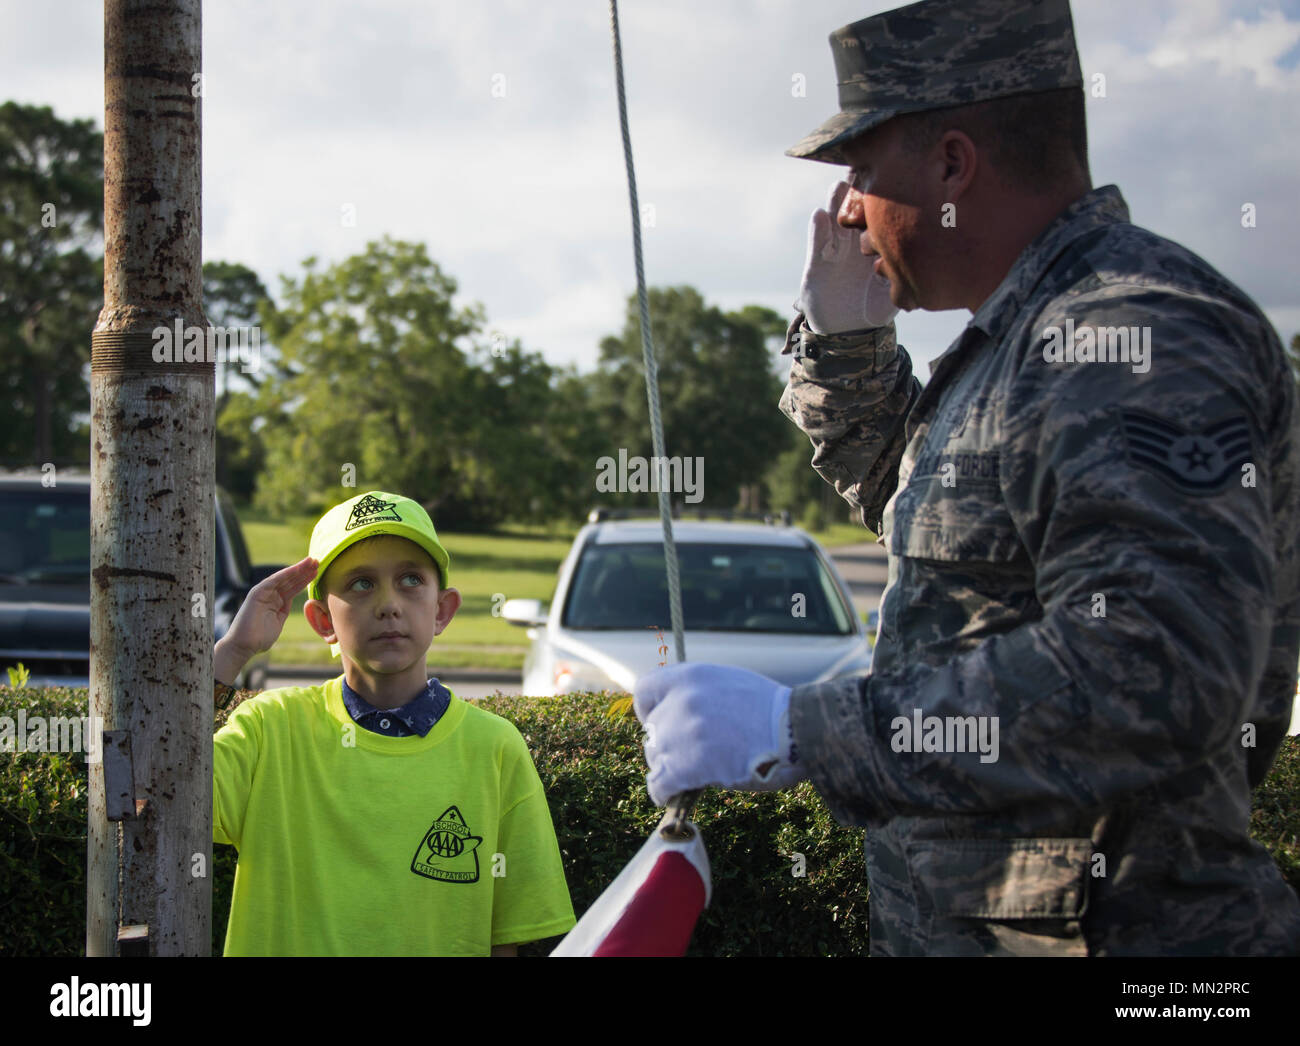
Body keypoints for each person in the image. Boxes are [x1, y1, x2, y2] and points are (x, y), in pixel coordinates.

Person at [634, 0, 1300, 956]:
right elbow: (942, 528)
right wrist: (844, 345)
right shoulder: (1031, 337)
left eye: (862, 172)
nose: (850, 210)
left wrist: (804, 728)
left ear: (952, 164)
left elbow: (1152, 674)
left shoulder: (1131, 337)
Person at [210, 490, 576, 956]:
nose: (389, 604)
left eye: (410, 579)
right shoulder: (269, 729)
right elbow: (157, 792)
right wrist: (232, 652)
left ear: (442, 609)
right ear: (322, 620)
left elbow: (515, 934)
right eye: (361, 583)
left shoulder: (494, 747)